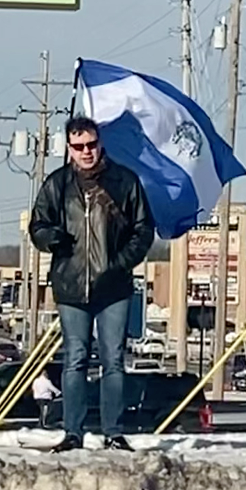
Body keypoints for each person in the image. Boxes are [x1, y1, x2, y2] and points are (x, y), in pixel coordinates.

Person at [29, 116, 155, 452]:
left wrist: (119, 264)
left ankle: (113, 432)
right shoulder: (57, 184)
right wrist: (50, 238)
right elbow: (38, 224)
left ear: (100, 144)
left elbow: (143, 230)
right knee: (75, 358)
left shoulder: (124, 181)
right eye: (79, 146)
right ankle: (73, 432)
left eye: (91, 144)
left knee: (113, 359)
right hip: (71, 284)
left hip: (113, 286)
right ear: (69, 149)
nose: (86, 151)